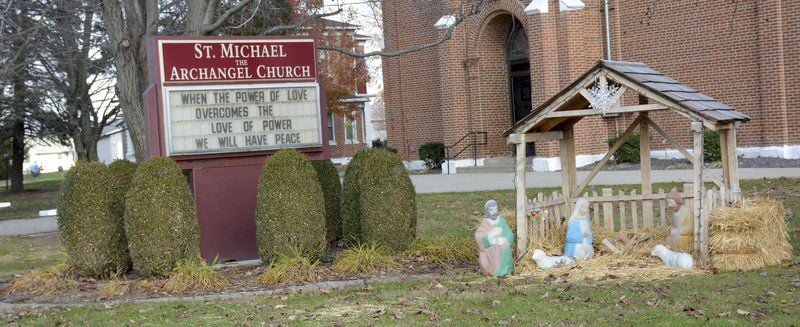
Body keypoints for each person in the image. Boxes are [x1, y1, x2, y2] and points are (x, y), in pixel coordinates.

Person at [474, 200, 514, 277]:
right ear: (487, 211)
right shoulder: (485, 222)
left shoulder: (502, 220)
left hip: (502, 242)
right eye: (491, 210)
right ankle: (496, 272)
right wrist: (490, 236)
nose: (494, 212)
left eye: (495, 209)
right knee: (497, 249)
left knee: (506, 248)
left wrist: (505, 239)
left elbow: (508, 232)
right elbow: (479, 235)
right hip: (490, 247)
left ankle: (507, 271)